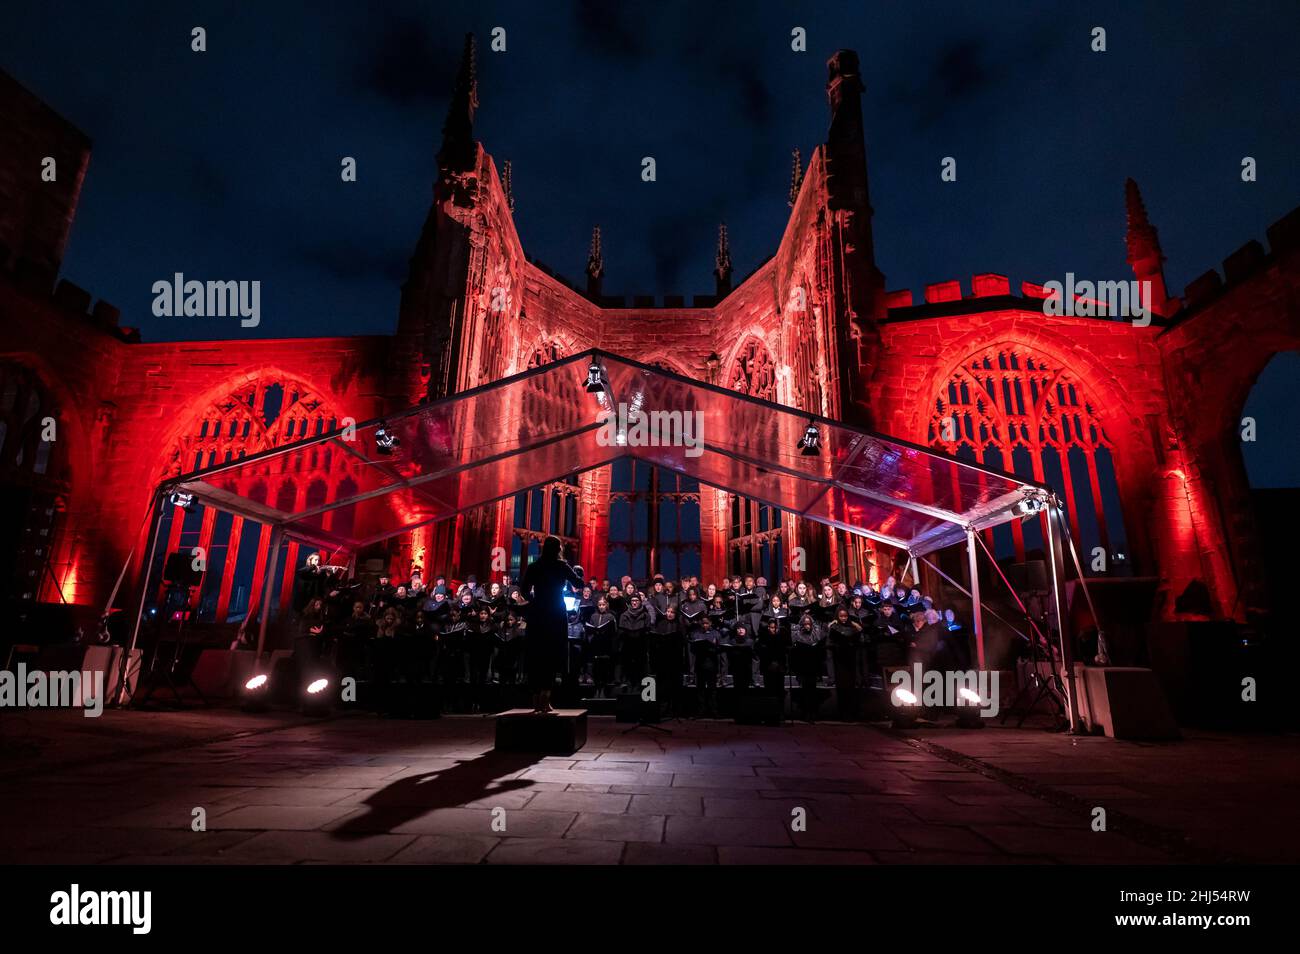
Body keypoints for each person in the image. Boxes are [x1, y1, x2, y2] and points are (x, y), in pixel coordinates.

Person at [519, 535, 584, 713]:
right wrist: (576, 572)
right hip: (555, 613)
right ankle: (546, 699)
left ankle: (535, 700)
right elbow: (579, 583)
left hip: (538, 613)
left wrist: (534, 601)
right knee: (553, 654)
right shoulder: (561, 566)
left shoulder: (534, 566)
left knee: (536, 655)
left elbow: (524, 590)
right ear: (558, 549)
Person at [827, 607, 863, 720]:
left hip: (850, 660)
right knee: (841, 688)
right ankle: (842, 713)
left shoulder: (853, 627)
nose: (843, 618)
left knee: (850, 688)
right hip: (839, 660)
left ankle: (851, 713)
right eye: (841, 616)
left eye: (845, 616)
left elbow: (860, 640)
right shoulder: (834, 627)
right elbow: (829, 643)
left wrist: (852, 642)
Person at [790, 613, 825, 721]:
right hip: (803, 667)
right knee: (804, 690)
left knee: (813, 690)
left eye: (809, 624)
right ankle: (806, 712)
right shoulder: (798, 635)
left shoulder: (816, 634)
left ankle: (813, 712)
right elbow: (794, 654)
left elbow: (820, 654)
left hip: (813, 667)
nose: (807, 626)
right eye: (805, 624)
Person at [617, 593, 652, 693]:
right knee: (628, 666)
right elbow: (621, 632)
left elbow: (648, 631)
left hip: (640, 645)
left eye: (637, 600)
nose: (634, 602)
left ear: (640, 602)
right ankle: (629, 684)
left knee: (640, 666)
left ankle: (638, 685)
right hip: (628, 645)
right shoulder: (624, 615)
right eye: (633, 601)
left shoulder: (646, 616)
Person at [585, 597, 617, 697]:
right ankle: (596, 688)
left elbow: (614, 631)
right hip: (596, 644)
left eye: (603, 605)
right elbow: (590, 630)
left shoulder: (611, 616)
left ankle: (603, 689)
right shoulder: (593, 616)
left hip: (606, 644)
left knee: (604, 667)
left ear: (606, 605)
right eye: (600, 605)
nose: (601, 607)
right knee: (596, 666)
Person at [723, 622, 755, 692]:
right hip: (736, 668)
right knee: (737, 688)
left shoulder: (750, 641)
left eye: (742, 628)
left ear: (745, 630)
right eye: (739, 629)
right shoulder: (732, 641)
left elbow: (753, 656)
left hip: (746, 668)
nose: (741, 630)